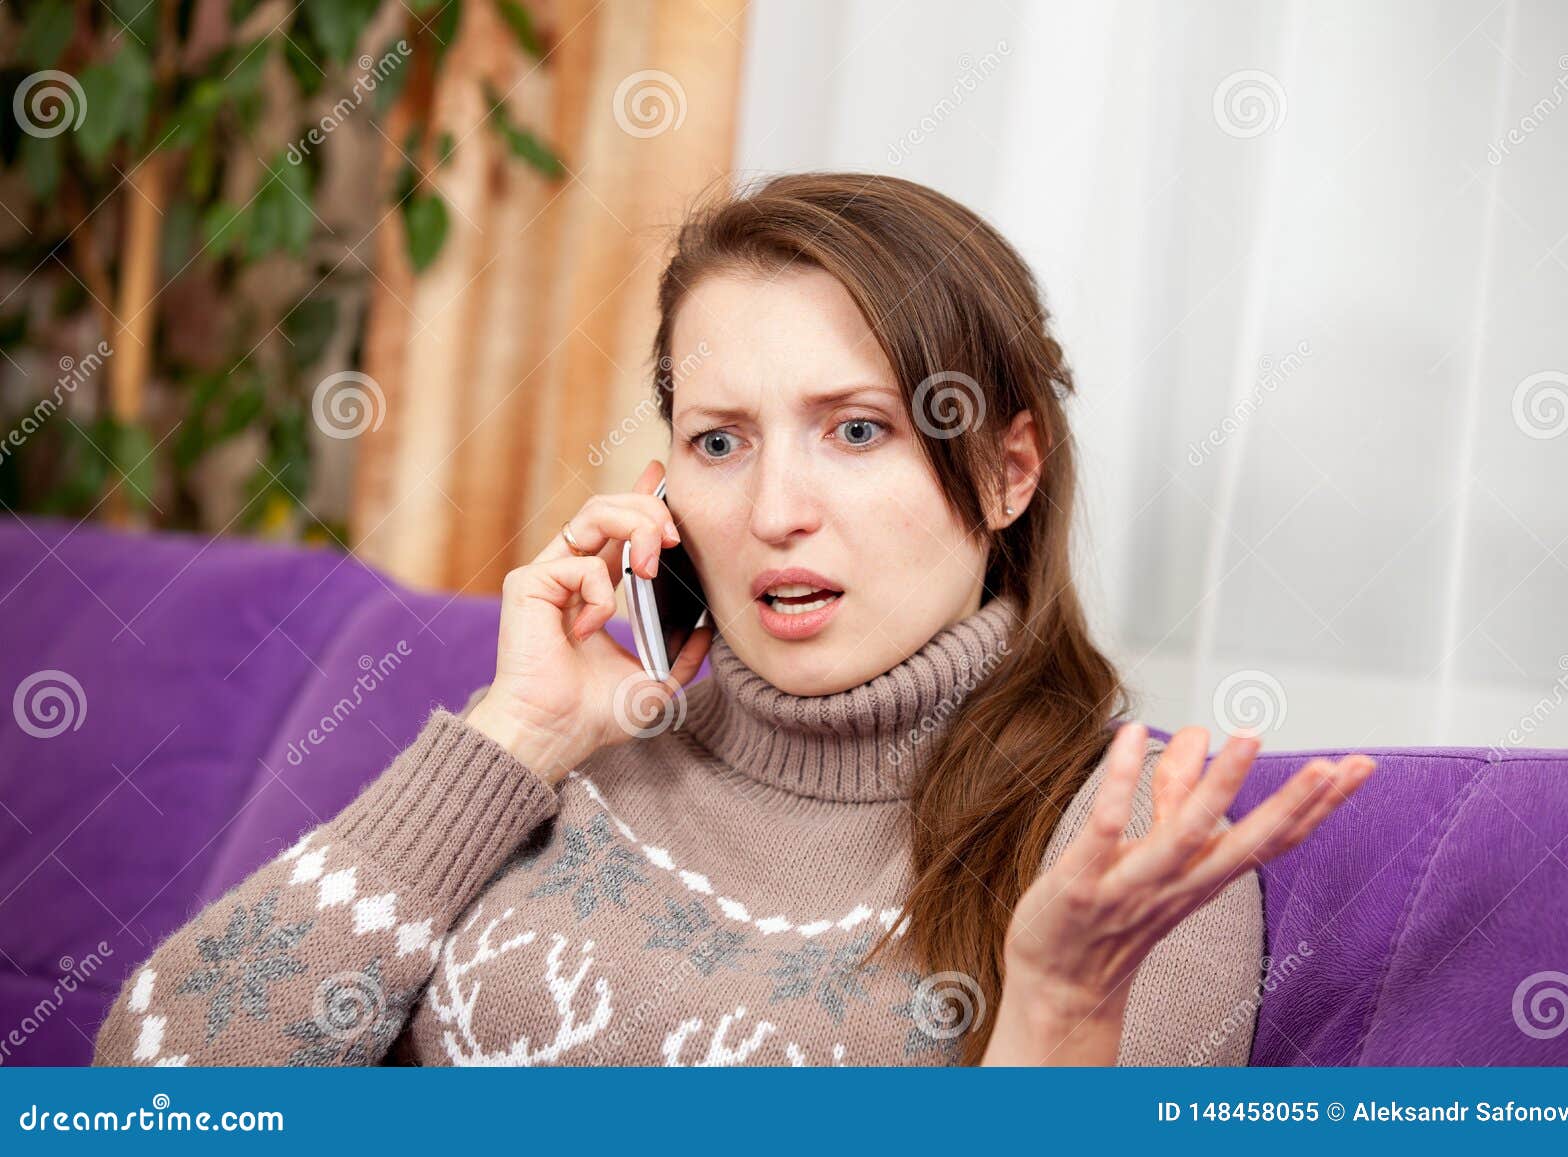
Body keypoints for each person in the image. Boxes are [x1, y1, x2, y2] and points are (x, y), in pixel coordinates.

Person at [93, 172, 1373, 1068]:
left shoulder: (1124, 840)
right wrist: (515, 737)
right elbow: (149, 1089)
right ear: (664, 486)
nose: (775, 508)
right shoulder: (560, 754)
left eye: (857, 429)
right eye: (720, 440)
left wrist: (1055, 1013)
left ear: (1006, 468)